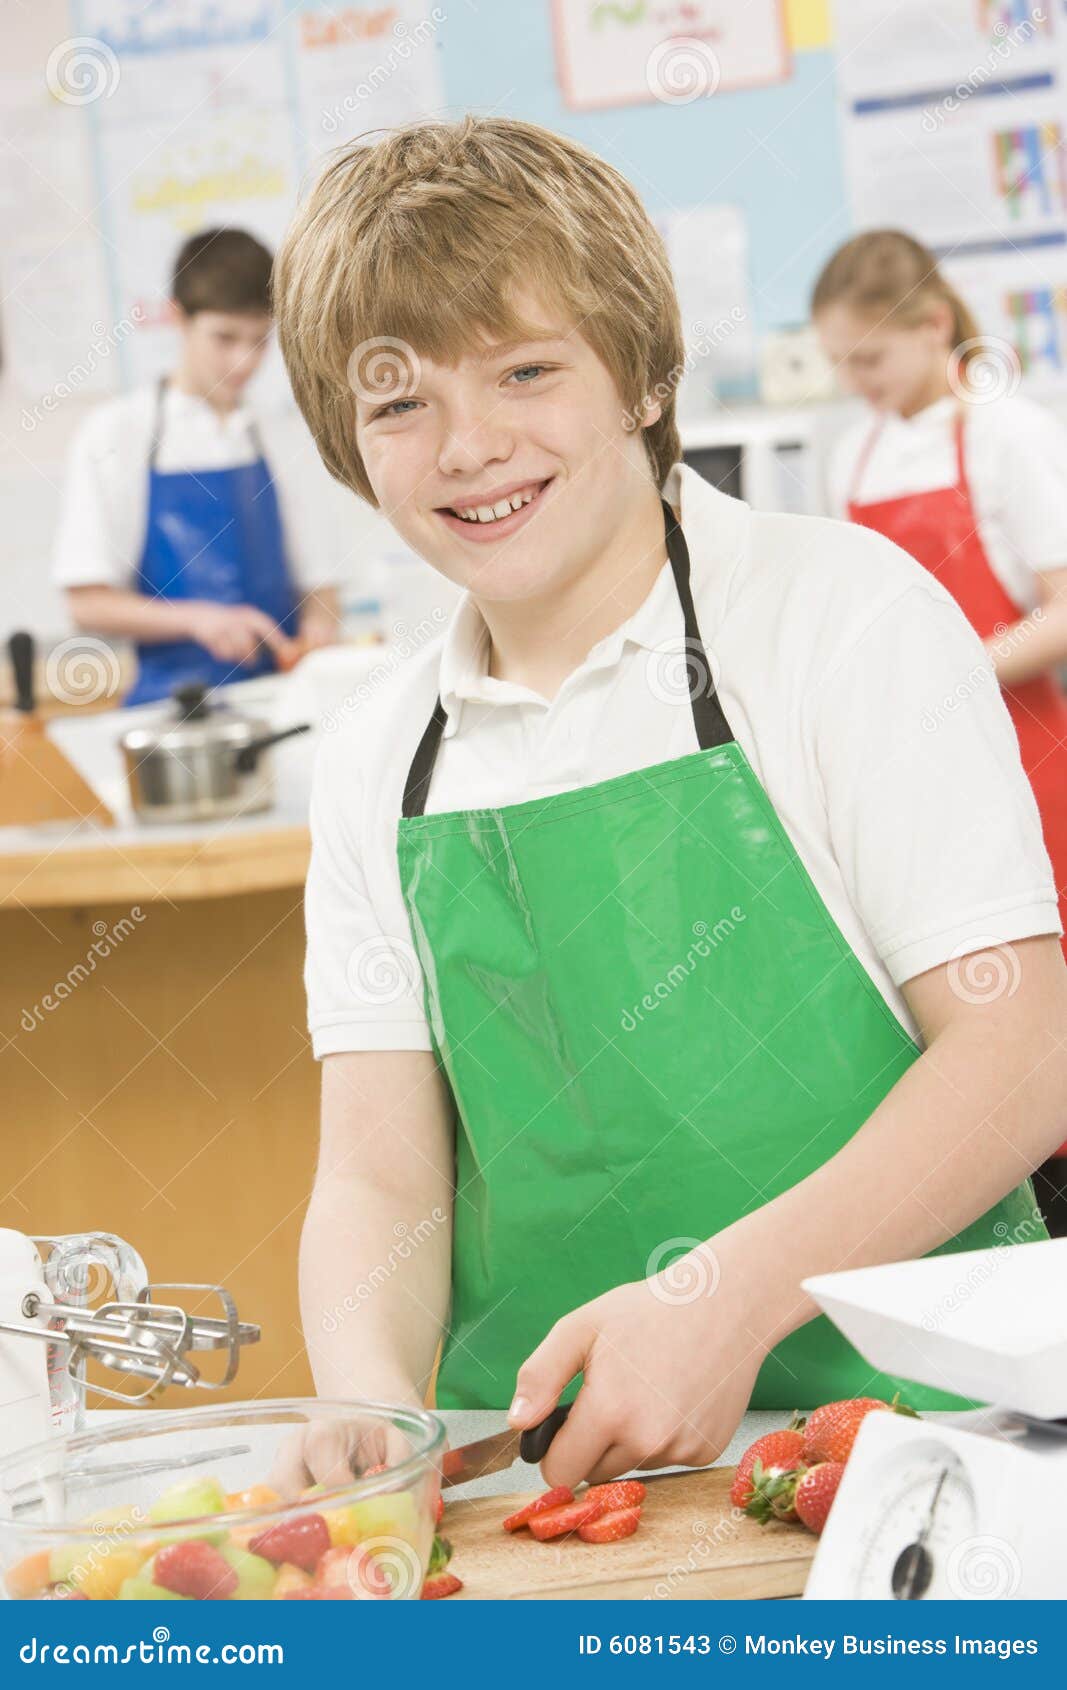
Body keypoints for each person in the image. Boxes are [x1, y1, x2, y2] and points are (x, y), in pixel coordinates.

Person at [274, 118, 1067, 1490]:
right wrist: (366, 1397)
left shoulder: (839, 620)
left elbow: (1018, 1050)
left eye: (524, 371)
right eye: (398, 401)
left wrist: (720, 1300)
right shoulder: (370, 756)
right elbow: (379, 1179)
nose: (468, 446)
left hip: (918, 1455)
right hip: (552, 1484)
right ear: (350, 443)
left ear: (639, 375)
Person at [814, 229, 1067, 1205]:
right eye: (838, 364)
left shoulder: (1004, 431)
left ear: (929, 325)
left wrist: (951, 672)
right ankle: (989, 1186)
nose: (855, 382)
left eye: (867, 358)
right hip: (909, 764)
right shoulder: (855, 455)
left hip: (1028, 751)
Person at [54, 228, 342, 706]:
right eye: (224, 337)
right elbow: (85, 603)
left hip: (283, 704)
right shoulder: (116, 434)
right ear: (177, 318)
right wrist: (200, 620)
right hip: (173, 711)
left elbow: (321, 588)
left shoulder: (280, 434)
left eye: (259, 340)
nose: (244, 361)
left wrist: (316, 633)